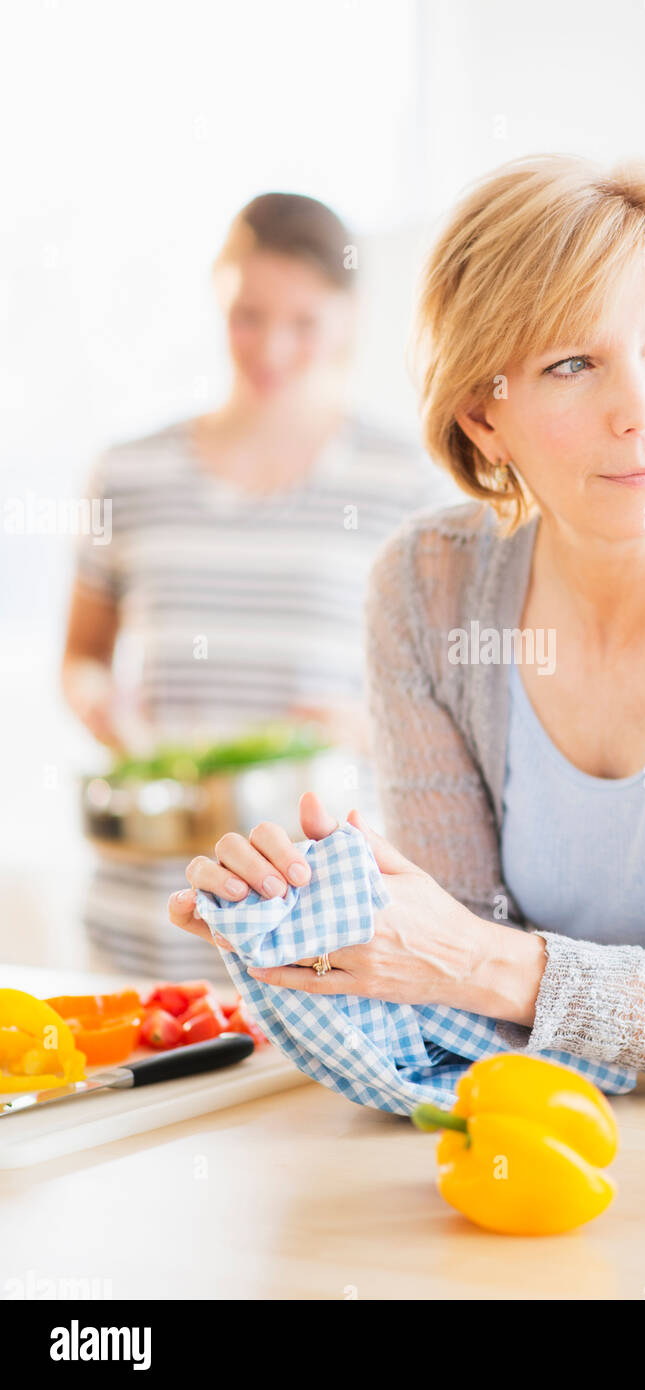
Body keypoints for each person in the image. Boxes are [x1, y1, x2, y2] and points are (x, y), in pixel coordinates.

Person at [170, 155, 645, 1089]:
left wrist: (483, 962)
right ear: (485, 416)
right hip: (558, 1123)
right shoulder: (426, 588)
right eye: (574, 363)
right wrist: (307, 920)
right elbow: (449, 966)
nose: (643, 412)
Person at [63, 192, 458, 983]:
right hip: (147, 905)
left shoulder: (404, 482)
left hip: (314, 916)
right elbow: (82, 659)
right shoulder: (129, 473)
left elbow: (458, 706)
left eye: (304, 322)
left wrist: (367, 726)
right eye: (248, 315)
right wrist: (104, 704)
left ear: (349, 318)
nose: (272, 347)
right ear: (219, 301)